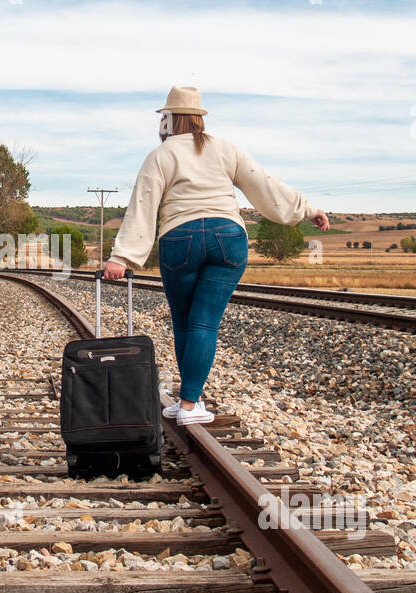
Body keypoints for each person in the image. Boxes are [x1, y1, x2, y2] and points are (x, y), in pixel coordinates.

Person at [102, 85, 328, 425]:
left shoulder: (161, 156)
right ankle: (190, 402)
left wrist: (122, 257)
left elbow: (143, 203)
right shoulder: (225, 148)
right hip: (228, 238)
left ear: (169, 119)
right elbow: (264, 184)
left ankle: (189, 404)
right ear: (198, 117)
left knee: (184, 323)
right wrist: (307, 209)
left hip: (181, 239)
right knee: (205, 322)